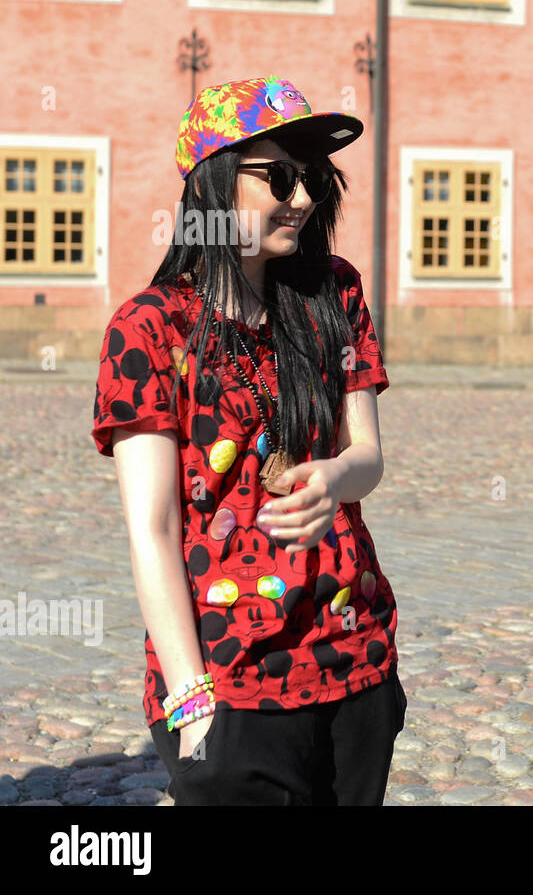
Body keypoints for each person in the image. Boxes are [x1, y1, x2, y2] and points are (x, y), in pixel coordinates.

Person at [92, 76, 404, 805]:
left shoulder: (335, 294)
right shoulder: (147, 330)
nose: (303, 199)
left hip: (352, 656)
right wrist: (191, 701)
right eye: (282, 178)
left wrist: (336, 480)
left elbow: (369, 457)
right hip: (231, 677)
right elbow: (154, 528)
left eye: (313, 180)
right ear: (216, 184)